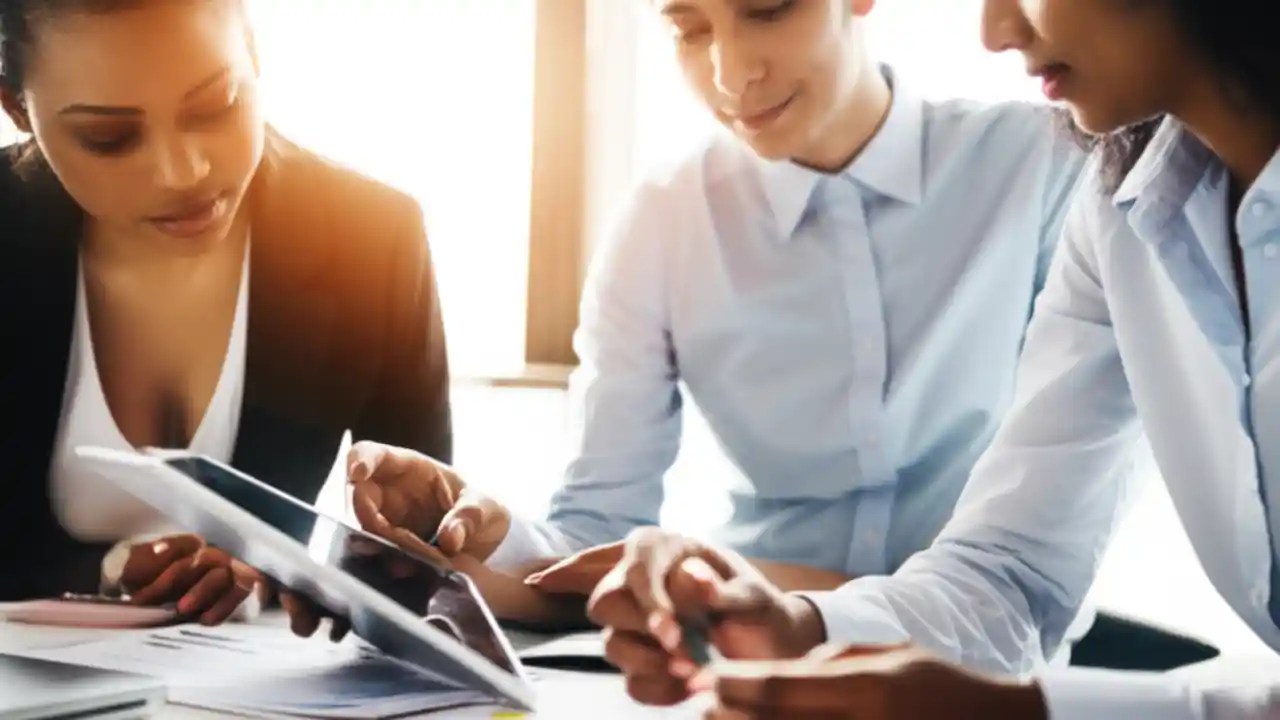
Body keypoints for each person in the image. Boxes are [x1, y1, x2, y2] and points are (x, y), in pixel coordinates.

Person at [583, 0, 1280, 717]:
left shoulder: (1040, 166)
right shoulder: (1120, 209)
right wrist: (800, 628)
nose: (996, 31)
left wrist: (1024, 712)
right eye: (688, 27)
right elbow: (1011, 572)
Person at [342, 0, 1088, 629]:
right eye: (691, 28)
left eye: (765, 9)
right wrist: (472, 537)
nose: (732, 75)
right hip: (734, 658)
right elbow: (597, 533)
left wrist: (724, 580)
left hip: (968, 677)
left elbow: (1023, 578)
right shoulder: (663, 222)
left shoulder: (1040, 167)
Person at [0, 0, 451, 625]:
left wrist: (300, 568)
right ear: (19, 110)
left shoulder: (372, 239)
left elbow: (421, 544)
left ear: (255, 58)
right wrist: (106, 576)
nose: (183, 171)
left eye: (216, 107)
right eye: (110, 137)